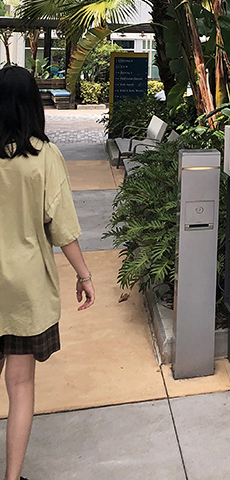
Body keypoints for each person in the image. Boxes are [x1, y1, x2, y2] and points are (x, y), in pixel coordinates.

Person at [0, 65, 95, 480]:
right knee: (20, 386)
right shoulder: (43, 155)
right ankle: (12, 476)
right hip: (26, 288)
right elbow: (61, 226)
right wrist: (84, 274)